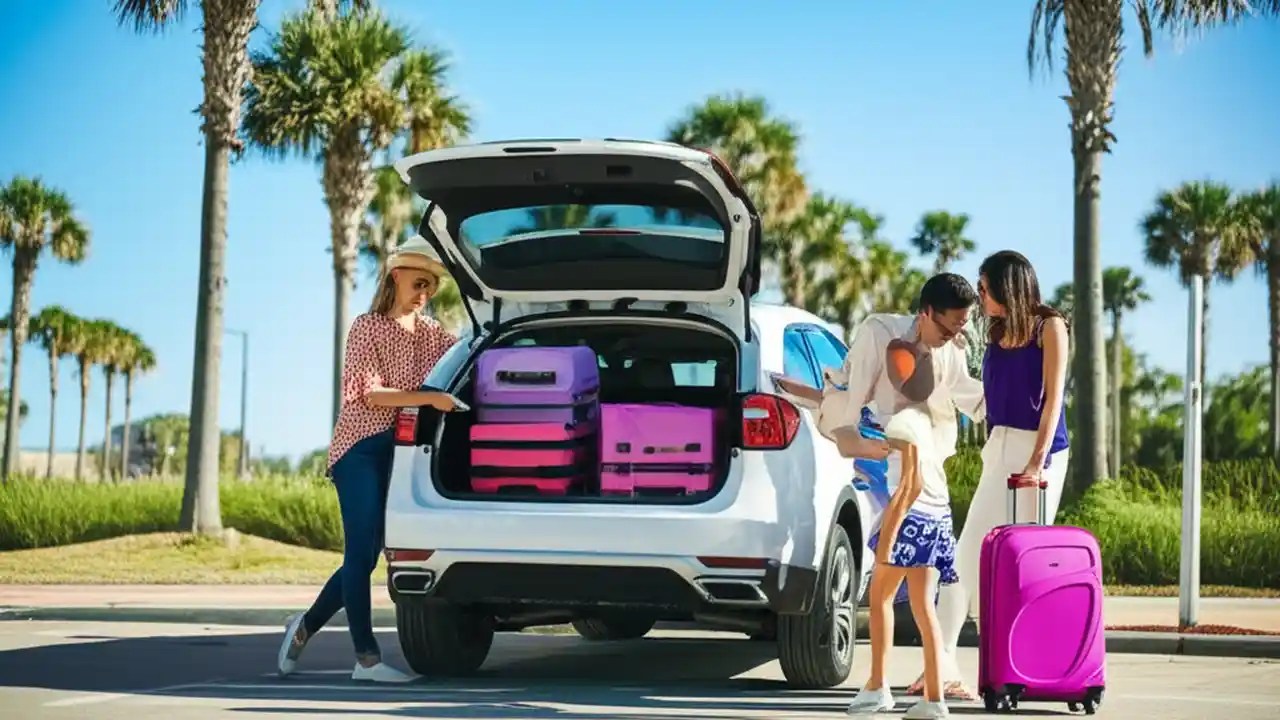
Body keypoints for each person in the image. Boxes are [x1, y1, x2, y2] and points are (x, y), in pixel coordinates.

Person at [777, 273, 984, 719]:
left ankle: (877, 688)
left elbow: (902, 477)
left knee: (881, 599)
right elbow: (852, 400)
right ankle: (932, 699)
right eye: (949, 326)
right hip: (935, 505)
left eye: (960, 329)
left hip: (909, 503)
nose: (954, 337)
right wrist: (820, 403)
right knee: (923, 607)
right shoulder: (883, 339)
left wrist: (886, 533)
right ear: (926, 312)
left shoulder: (914, 409)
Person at [275, 235, 463, 683]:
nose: (423, 295)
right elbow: (369, 394)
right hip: (359, 450)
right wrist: (431, 399)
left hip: (403, 456)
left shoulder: (434, 334)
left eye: (430, 288)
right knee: (360, 553)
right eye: (418, 283)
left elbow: (460, 362)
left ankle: (303, 628)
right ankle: (366, 659)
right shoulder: (367, 327)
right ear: (395, 276)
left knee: (368, 555)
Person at [908, 250, 1071, 700]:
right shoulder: (996, 332)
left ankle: (1030, 665)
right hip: (999, 449)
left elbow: (1053, 400)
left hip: (1040, 454)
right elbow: (989, 396)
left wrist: (1037, 461)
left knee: (1025, 565)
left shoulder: (1049, 327)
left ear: (1007, 285)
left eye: (983, 288)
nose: (979, 298)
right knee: (963, 559)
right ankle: (941, 666)